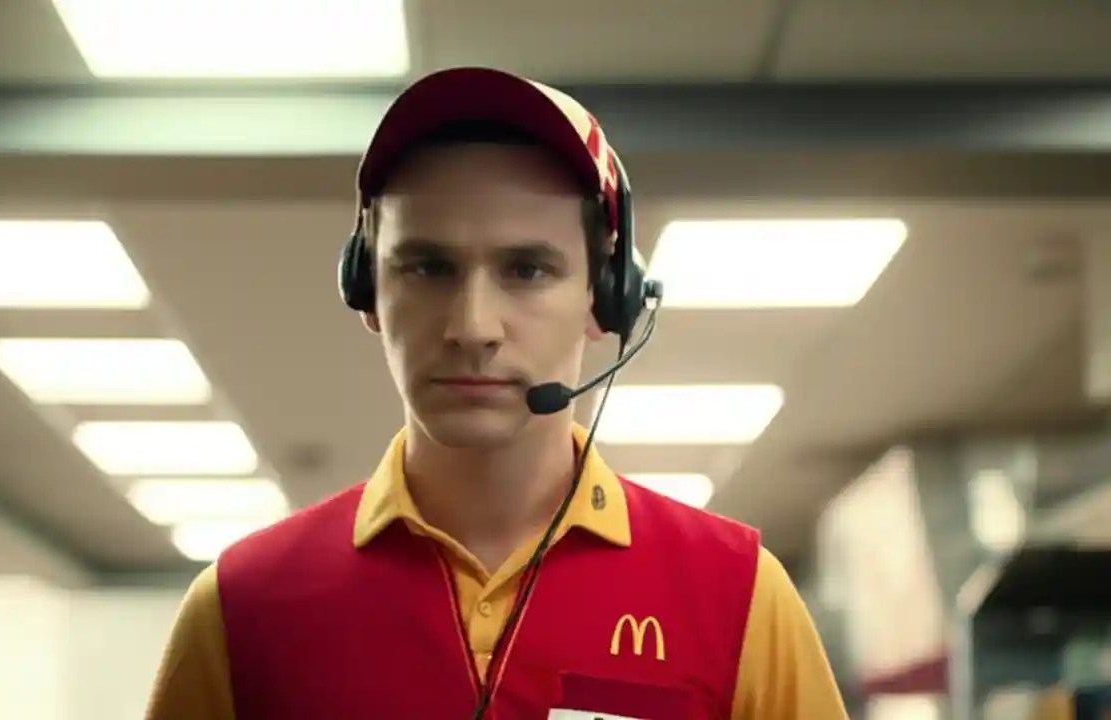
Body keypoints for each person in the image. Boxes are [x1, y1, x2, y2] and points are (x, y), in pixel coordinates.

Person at [145, 66, 849, 720]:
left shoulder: (737, 596)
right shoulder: (242, 609)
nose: (472, 327)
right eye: (426, 267)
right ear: (367, 291)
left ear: (607, 298)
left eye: (527, 269)